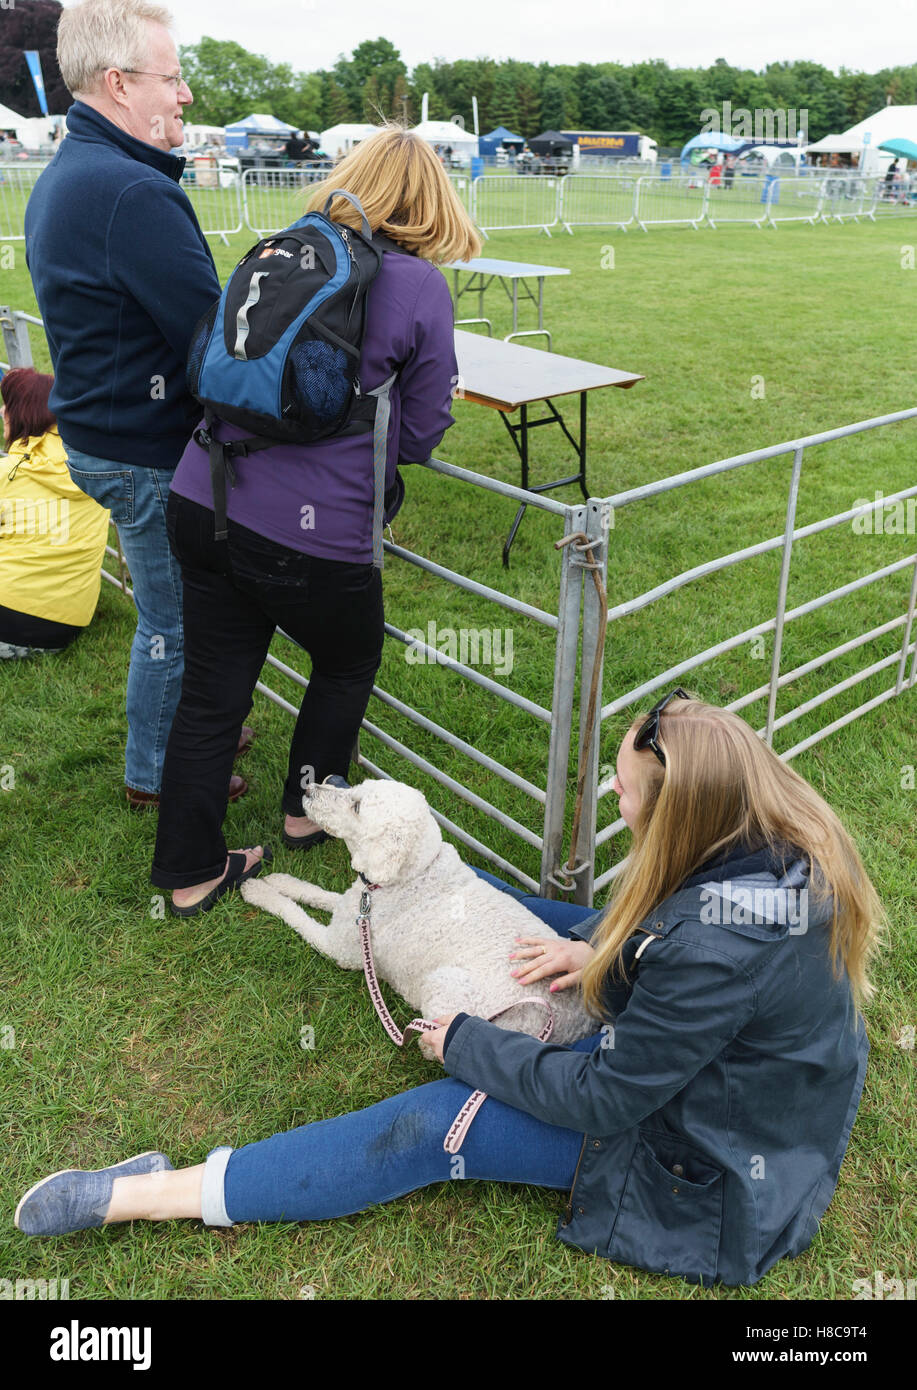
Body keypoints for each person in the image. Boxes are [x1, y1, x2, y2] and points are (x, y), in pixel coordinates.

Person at [16, 692, 882, 1288]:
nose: (611, 789)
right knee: (537, 917)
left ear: (682, 807)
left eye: (623, 785)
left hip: (710, 1157)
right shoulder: (767, 840)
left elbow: (605, 1098)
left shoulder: (709, 949)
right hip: (755, 1073)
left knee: (429, 1124)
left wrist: (466, 1038)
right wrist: (592, 956)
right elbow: (679, 950)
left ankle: (149, 1193)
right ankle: (510, 945)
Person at [147, 124, 481, 915]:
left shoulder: (283, 249)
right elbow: (425, 428)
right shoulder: (418, 286)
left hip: (203, 495)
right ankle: (307, 812)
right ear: (433, 201)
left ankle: (190, 871)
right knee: (343, 663)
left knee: (210, 691)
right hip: (312, 532)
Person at [24, 0, 249, 810]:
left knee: (175, 609)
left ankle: (190, 721)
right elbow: (210, 335)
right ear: (118, 83)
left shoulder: (76, 169)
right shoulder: (129, 189)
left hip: (100, 431)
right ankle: (157, 772)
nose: (186, 95)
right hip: (141, 446)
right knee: (173, 621)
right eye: (174, 77)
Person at [0, 368, 109, 659]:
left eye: (7, 405)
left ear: (20, 414)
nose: (2, 411)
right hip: (64, 627)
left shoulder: (8, 472)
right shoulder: (94, 468)